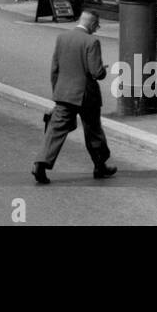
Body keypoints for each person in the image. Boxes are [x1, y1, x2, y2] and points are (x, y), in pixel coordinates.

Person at [33, 11, 115, 184]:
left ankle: (40, 164)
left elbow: (55, 68)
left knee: (56, 130)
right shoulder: (92, 41)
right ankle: (100, 166)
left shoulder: (62, 37)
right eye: (97, 25)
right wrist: (103, 70)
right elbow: (96, 72)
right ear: (92, 24)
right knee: (93, 131)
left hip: (64, 93)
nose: (97, 29)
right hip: (86, 95)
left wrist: (57, 92)